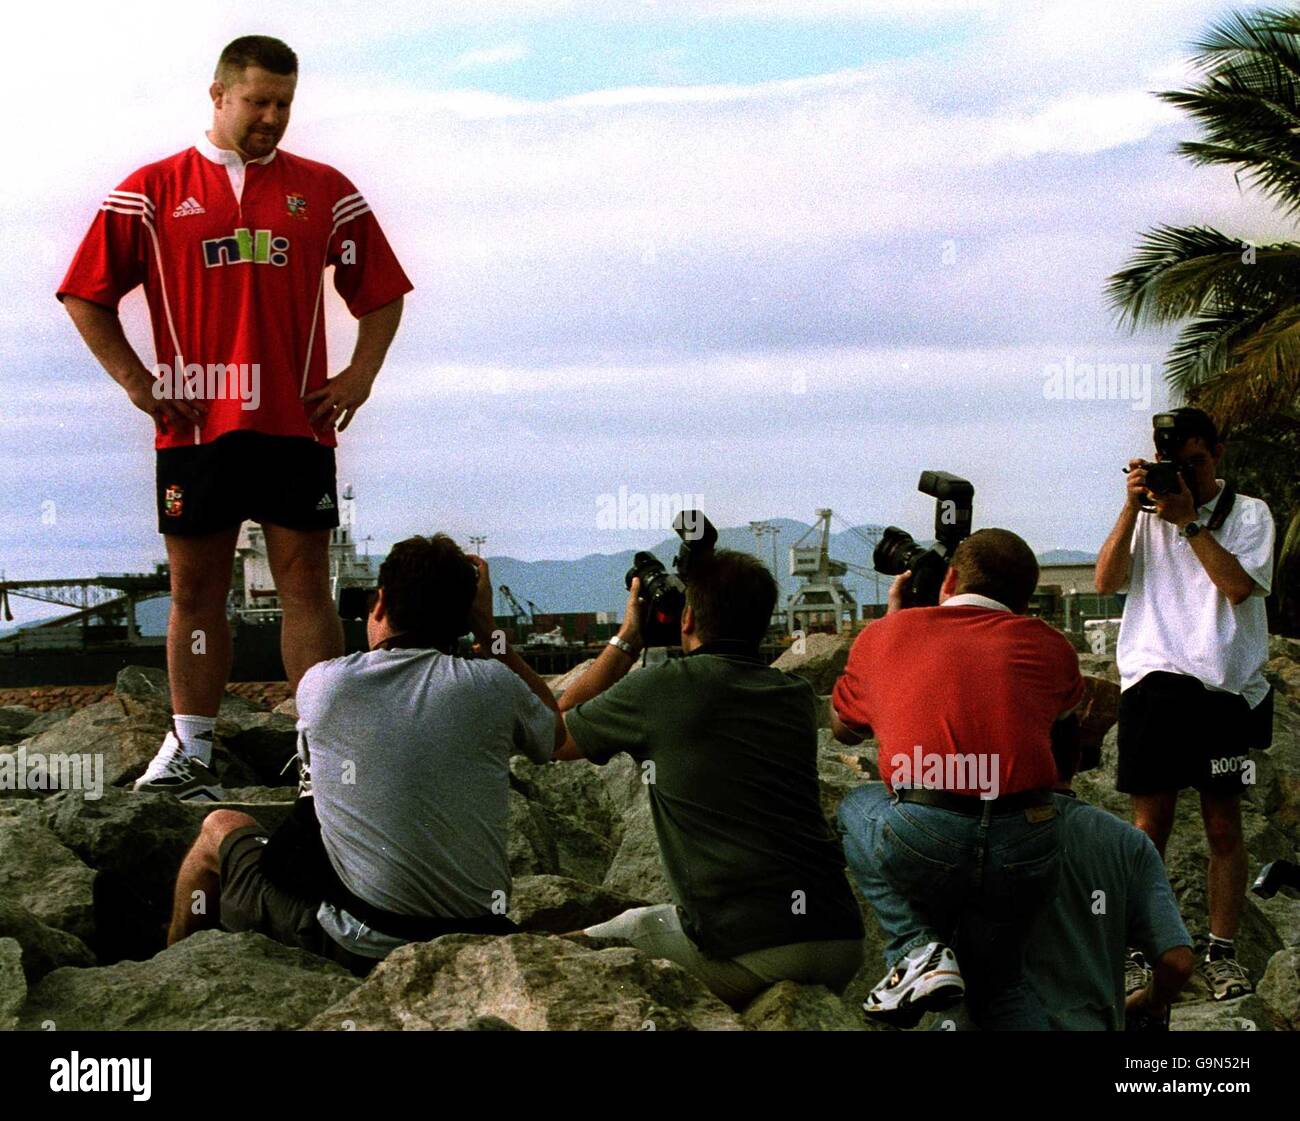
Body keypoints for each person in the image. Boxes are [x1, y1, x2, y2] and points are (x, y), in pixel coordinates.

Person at [58, 35, 413, 801]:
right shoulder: (153, 190)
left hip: (295, 422)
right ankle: (190, 745)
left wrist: (361, 372)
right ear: (217, 95)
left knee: (307, 588)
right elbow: (85, 292)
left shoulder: (321, 190)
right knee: (195, 592)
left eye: (284, 104)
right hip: (195, 426)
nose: (272, 118)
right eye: (258, 102)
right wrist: (136, 381)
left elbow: (381, 291)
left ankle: (320, 750)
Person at [166, 535, 562, 973]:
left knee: (219, 826)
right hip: (478, 931)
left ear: (380, 604)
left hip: (360, 944)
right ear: (464, 616)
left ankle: (173, 969)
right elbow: (554, 731)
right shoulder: (493, 686)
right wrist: (490, 633)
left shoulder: (324, 685)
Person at [553, 550, 865, 1008]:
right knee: (648, 920)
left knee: (563, 955)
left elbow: (554, 735)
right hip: (840, 936)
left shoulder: (661, 688)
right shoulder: (793, 694)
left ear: (688, 618)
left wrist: (627, 639)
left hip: (747, 945)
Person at [832, 529, 1084, 1028]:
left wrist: (896, 623)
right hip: (1027, 840)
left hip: (926, 832)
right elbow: (1063, 726)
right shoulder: (1051, 645)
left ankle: (916, 949)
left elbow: (843, 730)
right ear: (1027, 595)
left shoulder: (887, 635)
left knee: (854, 808)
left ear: (948, 577)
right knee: (1003, 982)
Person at [1095, 407, 1275, 1000]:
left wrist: (1192, 523)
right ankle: (1133, 948)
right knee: (1149, 825)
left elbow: (1238, 586)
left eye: (1197, 463)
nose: (1188, 476)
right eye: (1178, 465)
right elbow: (1105, 581)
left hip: (1224, 687)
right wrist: (1131, 506)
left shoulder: (1248, 513)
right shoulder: (1148, 516)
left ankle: (1220, 951)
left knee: (1225, 824)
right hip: (1154, 676)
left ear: (1217, 455)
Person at [1003, 718, 1196, 1030]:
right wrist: (1151, 1001)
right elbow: (1177, 961)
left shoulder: (974, 832)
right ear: (1078, 759)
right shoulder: (1127, 843)